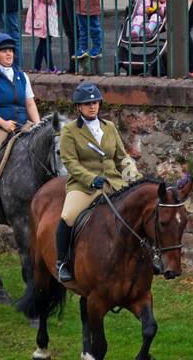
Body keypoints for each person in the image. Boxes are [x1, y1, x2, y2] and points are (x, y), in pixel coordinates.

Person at [55, 80, 140, 281]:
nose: (93, 106)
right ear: (78, 107)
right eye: (87, 104)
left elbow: (122, 157)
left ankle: (145, 257)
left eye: (95, 103)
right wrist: (91, 179)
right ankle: (62, 262)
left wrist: (134, 177)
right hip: (84, 185)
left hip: (113, 183)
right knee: (68, 215)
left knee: (138, 213)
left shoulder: (109, 127)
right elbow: (71, 163)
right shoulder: (69, 131)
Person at [0, 30, 40, 217]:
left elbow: (29, 102)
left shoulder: (22, 76)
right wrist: (3, 124)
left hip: (20, 123)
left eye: (11, 50)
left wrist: (37, 124)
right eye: (4, 51)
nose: (9, 54)